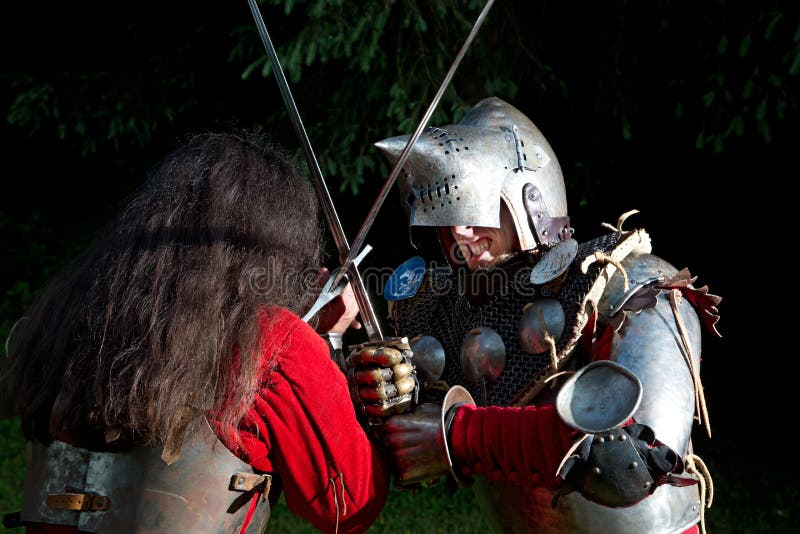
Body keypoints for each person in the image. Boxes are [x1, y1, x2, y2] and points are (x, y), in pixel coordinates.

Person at [347, 97, 721, 533]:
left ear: (529, 200)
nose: (458, 232)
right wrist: (342, 349)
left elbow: (634, 459)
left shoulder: (628, 283)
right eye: (447, 215)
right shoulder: (453, 313)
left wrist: (457, 436)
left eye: (476, 207)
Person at [0, 131, 388, 534]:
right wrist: (324, 342)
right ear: (279, 250)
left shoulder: (73, 308)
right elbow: (349, 503)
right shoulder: (275, 340)